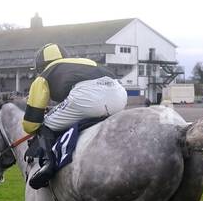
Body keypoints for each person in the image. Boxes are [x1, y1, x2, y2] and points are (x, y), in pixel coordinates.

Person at [22, 43, 127, 189]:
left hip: (87, 98)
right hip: (119, 94)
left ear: (40, 67)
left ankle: (48, 166)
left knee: (44, 125)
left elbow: (30, 124)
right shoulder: (85, 62)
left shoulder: (44, 75)